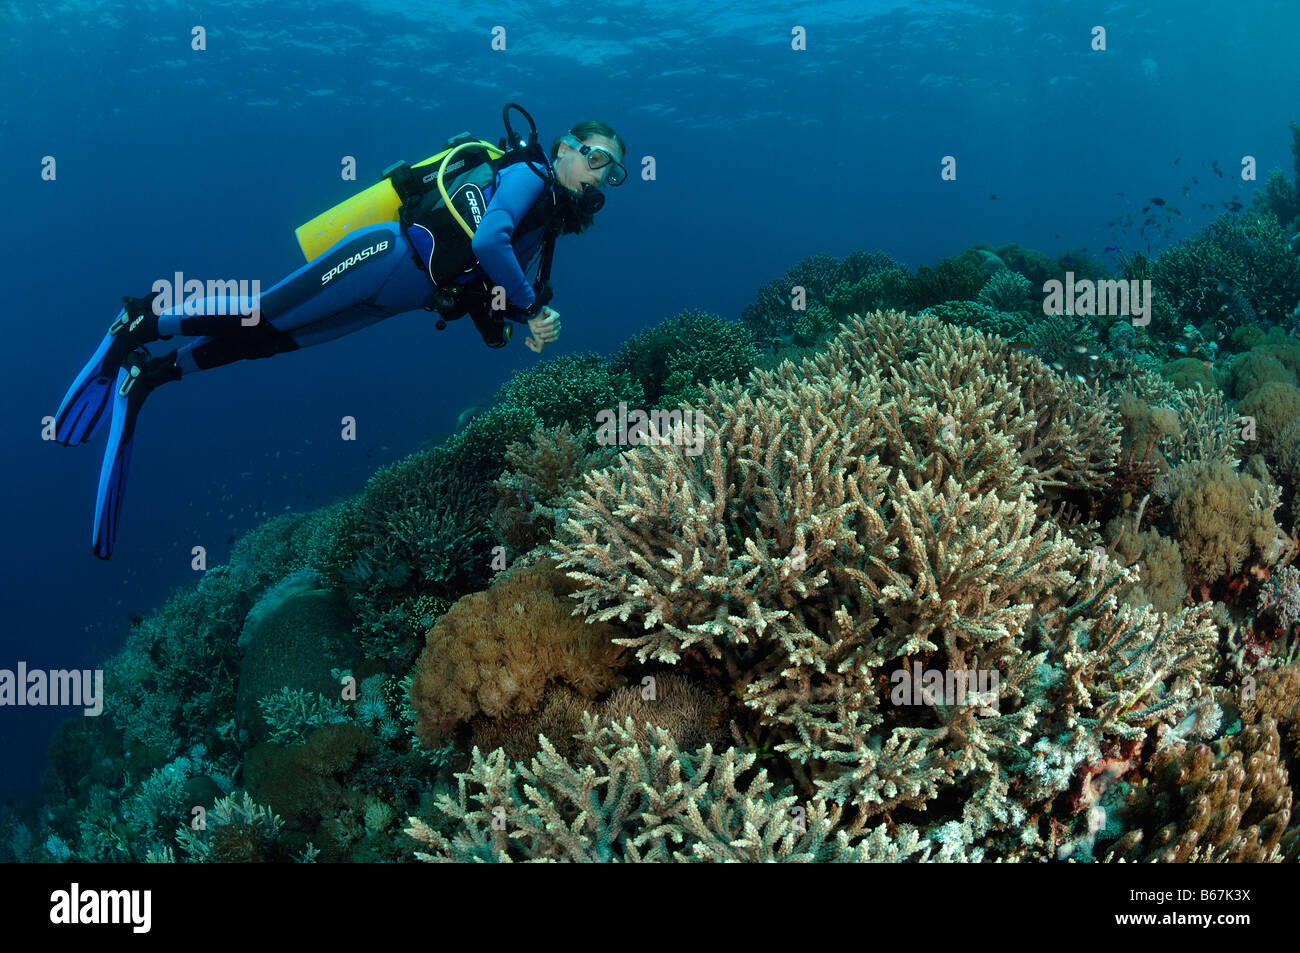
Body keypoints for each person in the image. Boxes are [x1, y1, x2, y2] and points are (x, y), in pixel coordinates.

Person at [53, 105, 627, 558]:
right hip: (381, 257)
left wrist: (512, 321)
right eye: (597, 158)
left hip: (394, 301)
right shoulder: (529, 174)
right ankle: (143, 321)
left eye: (614, 172)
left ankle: (152, 375)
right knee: (263, 311)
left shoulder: (547, 221)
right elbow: (487, 241)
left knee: (273, 341)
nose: (602, 176)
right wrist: (528, 310)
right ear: (564, 149)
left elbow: (484, 281)